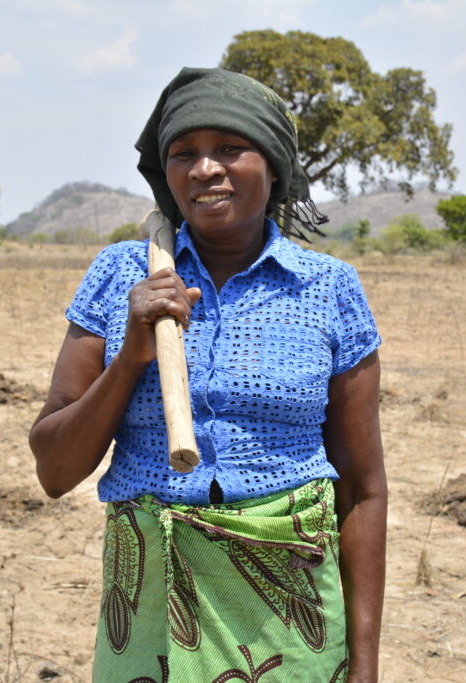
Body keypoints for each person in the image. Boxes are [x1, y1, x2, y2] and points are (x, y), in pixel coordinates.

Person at [30, 67, 386, 682]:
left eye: (229, 148)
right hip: (150, 602)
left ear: (272, 165)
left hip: (288, 611)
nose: (204, 170)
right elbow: (55, 471)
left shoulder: (329, 289)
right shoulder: (121, 277)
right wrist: (131, 357)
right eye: (183, 153)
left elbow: (363, 489)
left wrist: (366, 667)